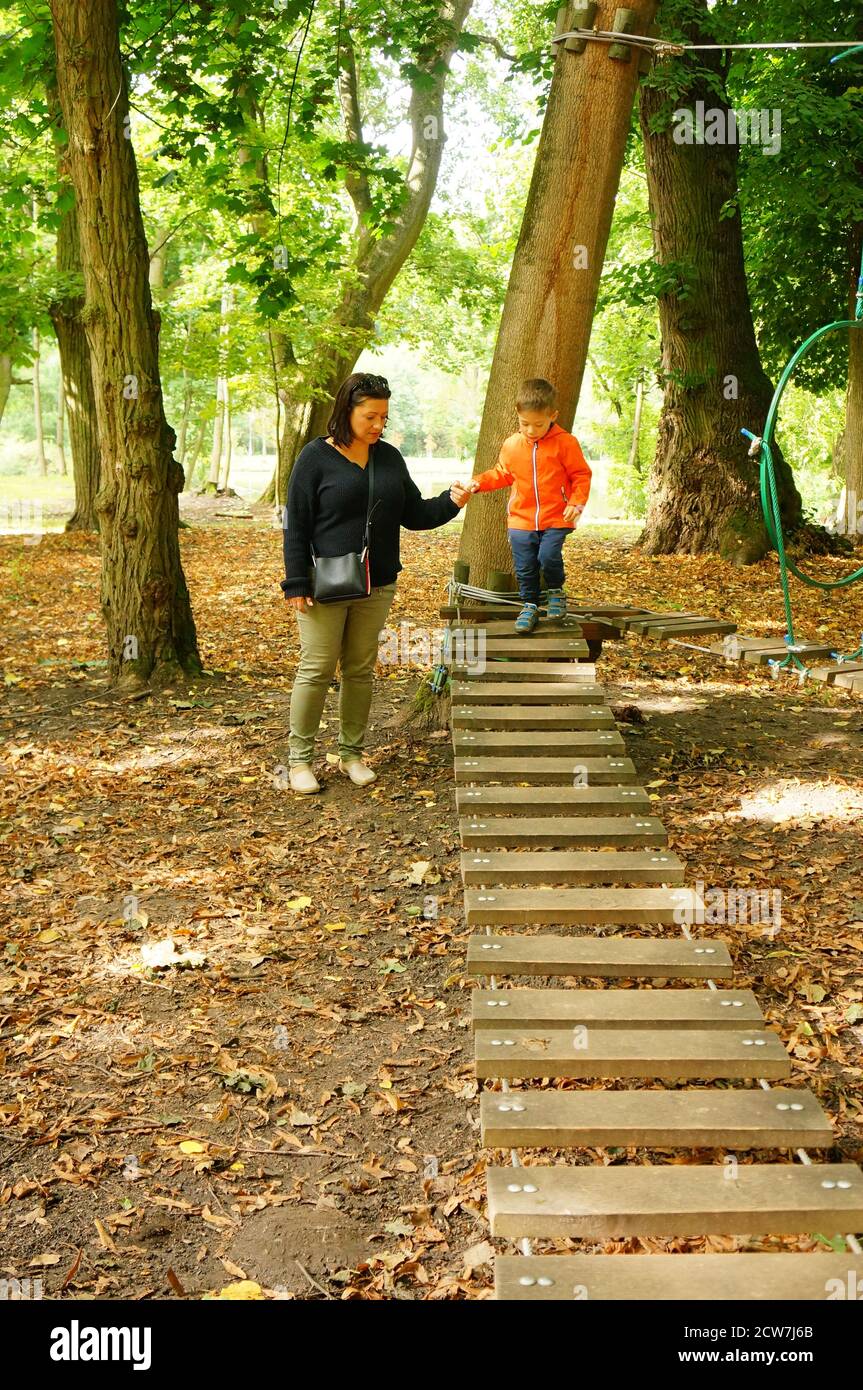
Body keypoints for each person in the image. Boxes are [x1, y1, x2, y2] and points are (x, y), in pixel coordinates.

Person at [281, 372, 472, 794]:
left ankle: (351, 754)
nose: (378, 425)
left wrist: (451, 501)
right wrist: (295, 582)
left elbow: (415, 514)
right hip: (325, 584)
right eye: (370, 416)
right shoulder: (315, 457)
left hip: (377, 583)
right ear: (346, 410)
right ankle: (299, 762)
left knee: (359, 670)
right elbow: (296, 523)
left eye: (383, 417)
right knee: (316, 669)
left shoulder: (389, 458)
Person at [466, 378, 592, 633]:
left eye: (538, 424)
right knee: (524, 566)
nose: (531, 430)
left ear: (552, 416)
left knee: (548, 556)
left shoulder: (566, 443)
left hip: (557, 516)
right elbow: (502, 473)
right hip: (520, 519)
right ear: (517, 414)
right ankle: (530, 605)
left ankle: (556, 592)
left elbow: (581, 475)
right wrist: (478, 482)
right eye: (525, 424)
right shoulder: (512, 445)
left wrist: (577, 503)